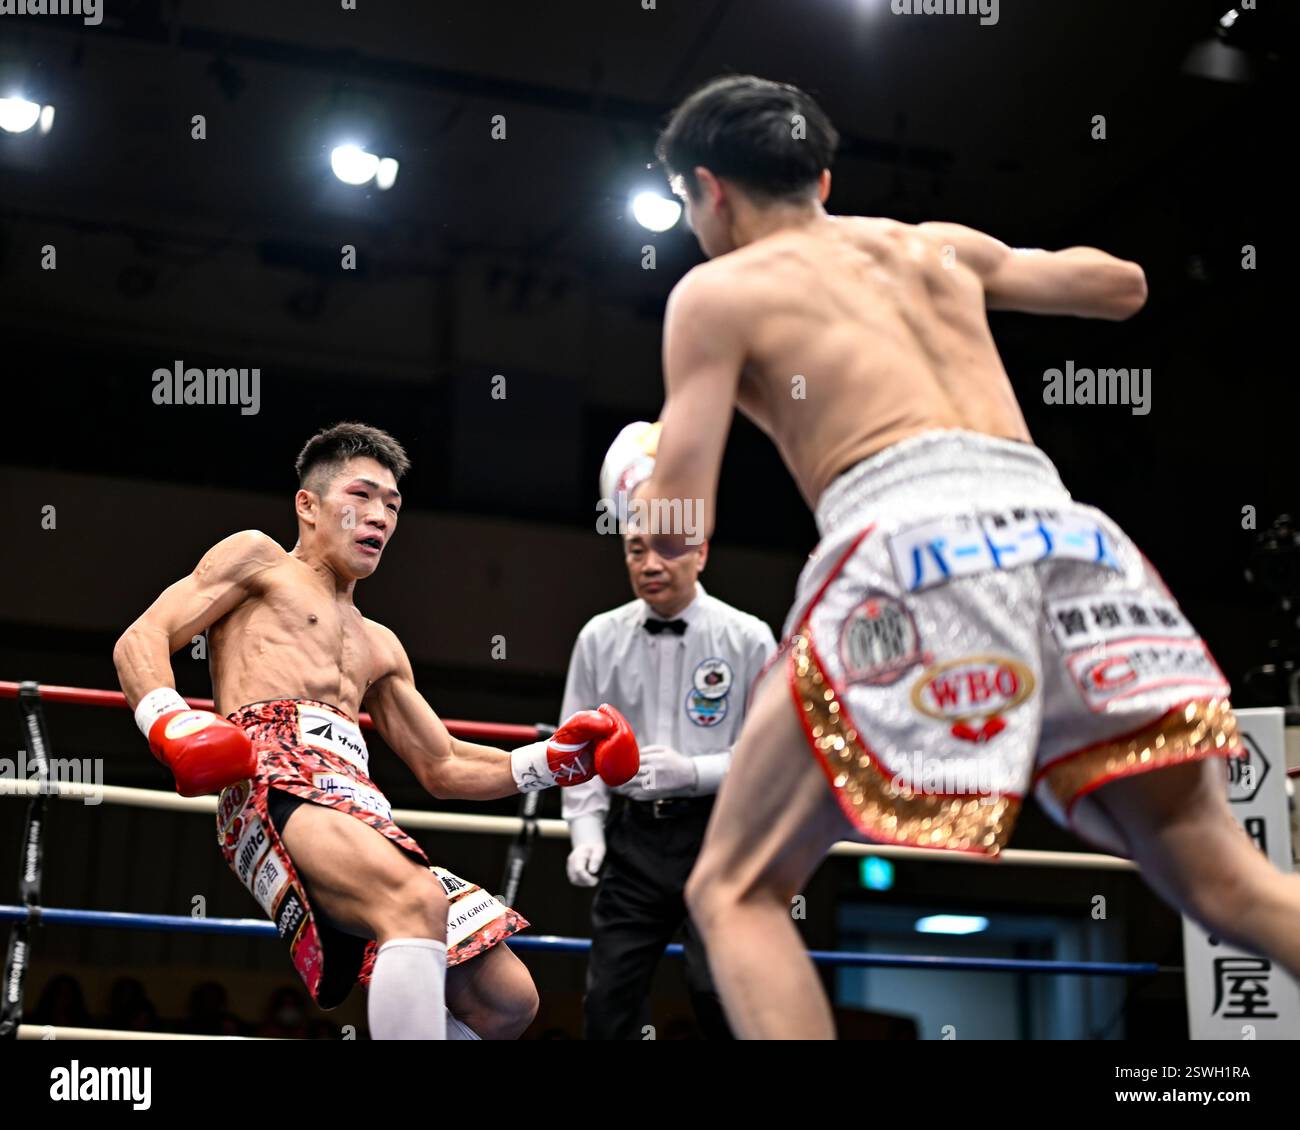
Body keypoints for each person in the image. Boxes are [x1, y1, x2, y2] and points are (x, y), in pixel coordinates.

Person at [618, 73, 1293, 1038]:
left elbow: (684, 518)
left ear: (709, 189)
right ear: (822, 175)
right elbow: (1122, 285)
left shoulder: (717, 291)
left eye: (688, 205)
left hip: (912, 546)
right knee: (1227, 878)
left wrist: (641, 495)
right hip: (1073, 541)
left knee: (733, 890)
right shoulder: (932, 246)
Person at [113, 422, 638, 1040]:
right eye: (361, 496)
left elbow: (442, 764)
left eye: (392, 505)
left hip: (358, 802)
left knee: (506, 1000)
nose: (380, 516)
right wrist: (169, 721)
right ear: (307, 505)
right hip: (271, 773)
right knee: (413, 904)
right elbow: (142, 637)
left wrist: (552, 762)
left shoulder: (380, 644)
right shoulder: (259, 561)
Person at [564, 456, 775, 1038]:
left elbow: (768, 761)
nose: (650, 564)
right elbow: (574, 749)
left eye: (667, 548)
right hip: (632, 840)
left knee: (720, 996)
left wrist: (696, 772)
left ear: (701, 552)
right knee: (607, 1002)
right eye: (636, 550)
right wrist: (585, 830)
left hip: (721, 835)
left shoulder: (748, 637)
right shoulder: (598, 638)